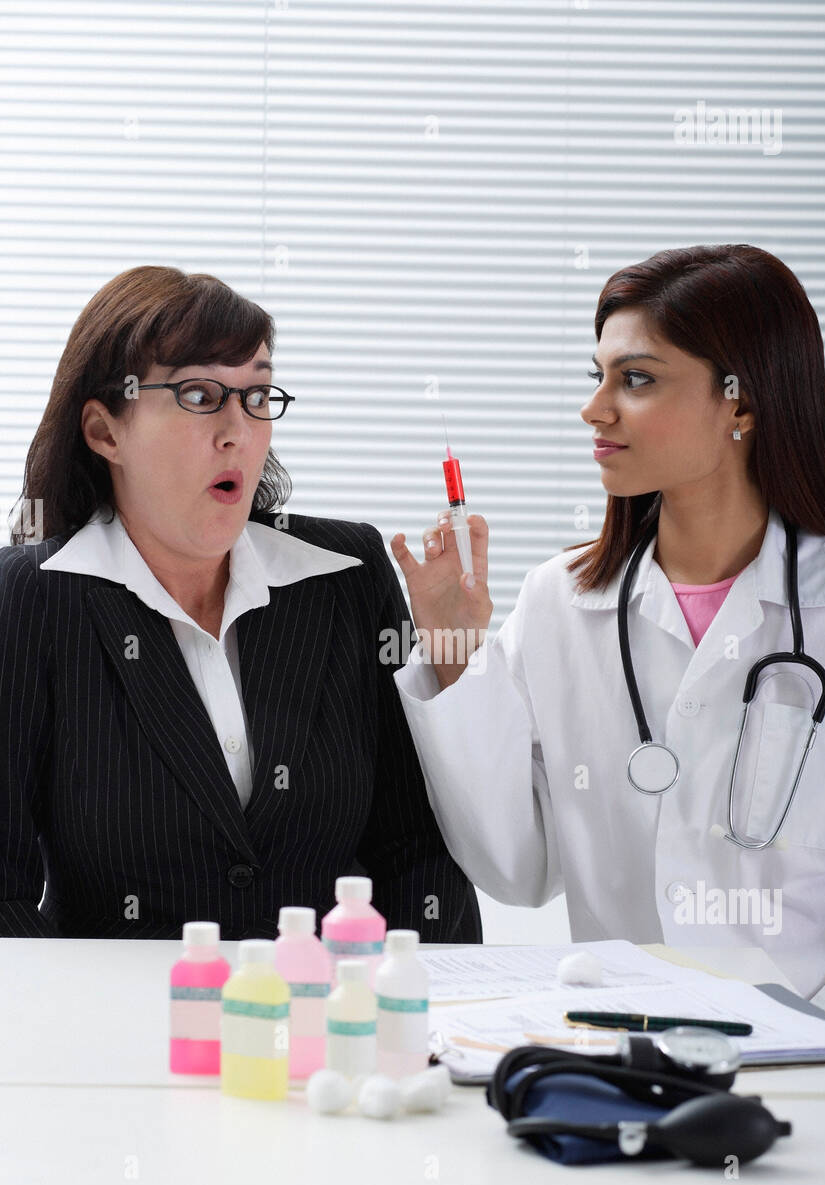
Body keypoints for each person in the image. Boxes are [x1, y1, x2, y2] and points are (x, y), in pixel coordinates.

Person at [390, 244, 825, 1026]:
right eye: (598, 376)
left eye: (636, 379)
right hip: (628, 1050)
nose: (595, 408)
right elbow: (516, 867)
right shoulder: (561, 602)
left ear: (741, 404)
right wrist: (451, 647)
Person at [0, 265, 481, 942]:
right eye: (200, 394)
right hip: (113, 1025)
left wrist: (409, 1015)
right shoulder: (28, 599)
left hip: (331, 1023)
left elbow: (417, 850)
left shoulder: (347, 573)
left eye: (257, 395)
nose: (238, 431)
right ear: (105, 433)